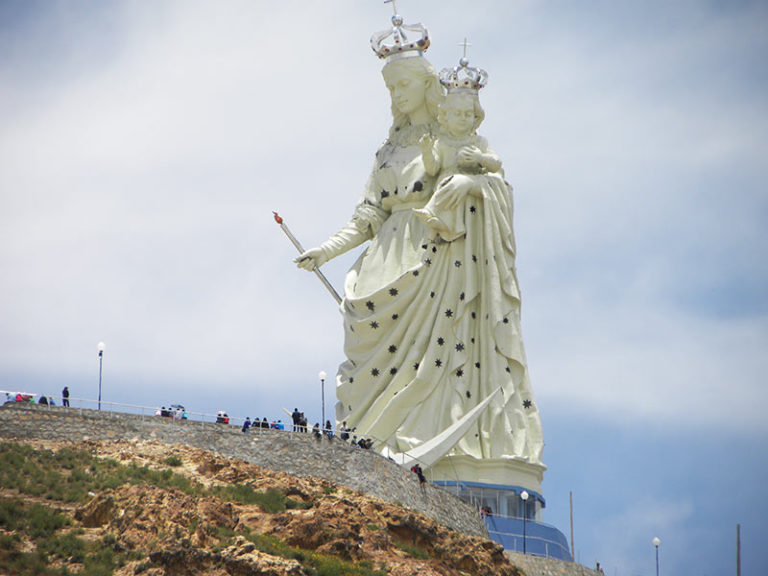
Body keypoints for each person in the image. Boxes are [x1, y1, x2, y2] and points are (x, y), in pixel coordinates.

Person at [295, 17, 542, 468]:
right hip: (385, 258)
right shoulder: (387, 151)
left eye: (404, 84)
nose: (397, 96)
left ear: (426, 86)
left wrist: (471, 184)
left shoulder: (448, 137)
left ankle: (433, 443)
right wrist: (326, 250)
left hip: (437, 258)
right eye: (391, 89)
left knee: (439, 356)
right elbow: (368, 215)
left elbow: (493, 185)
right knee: (369, 347)